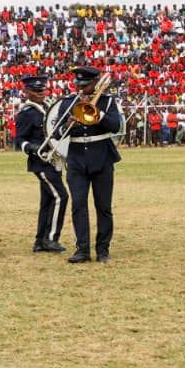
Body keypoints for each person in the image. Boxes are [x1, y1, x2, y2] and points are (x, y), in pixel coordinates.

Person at [51, 66, 122, 263]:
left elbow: (115, 126)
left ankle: (103, 250)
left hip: (102, 158)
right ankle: (82, 249)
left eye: (87, 85)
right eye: (79, 85)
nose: (82, 89)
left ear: (96, 83)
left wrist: (97, 114)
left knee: (104, 207)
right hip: (76, 160)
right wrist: (67, 125)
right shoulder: (68, 102)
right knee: (78, 205)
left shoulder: (107, 101)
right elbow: (56, 132)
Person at [13, 75, 68, 253]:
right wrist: (34, 148)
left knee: (48, 200)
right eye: (36, 91)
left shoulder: (48, 108)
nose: (41, 93)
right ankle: (51, 238)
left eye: (42, 90)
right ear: (27, 92)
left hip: (54, 161)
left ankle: (40, 241)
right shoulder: (27, 113)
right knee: (61, 197)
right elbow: (19, 140)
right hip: (41, 162)